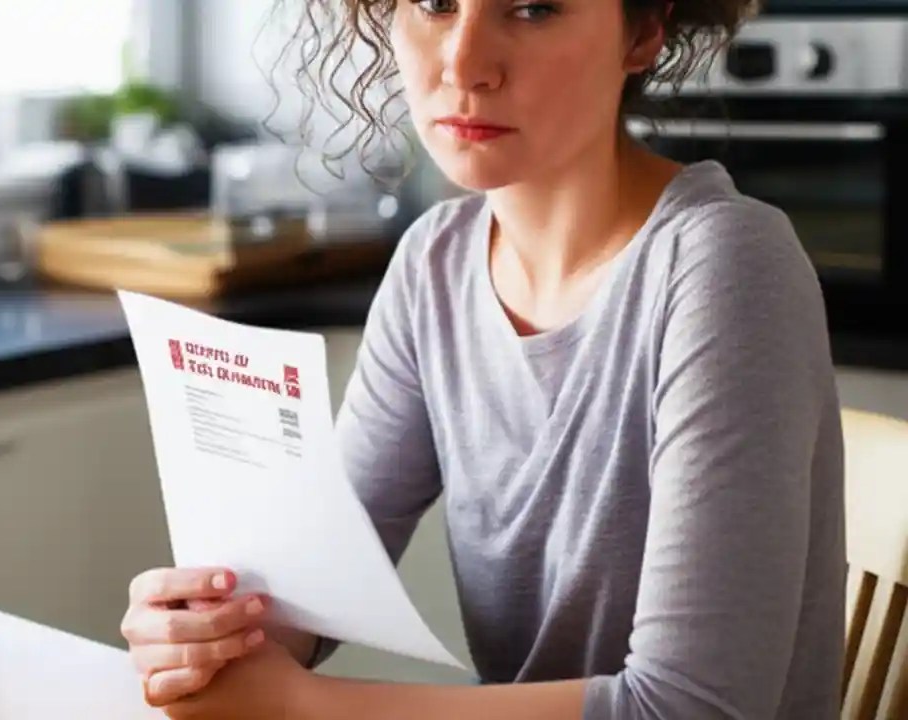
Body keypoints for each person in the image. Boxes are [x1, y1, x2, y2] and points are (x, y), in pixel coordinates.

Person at [119, 0, 847, 717]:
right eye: (436, 3)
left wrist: (304, 705)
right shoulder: (433, 262)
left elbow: (693, 709)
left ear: (644, 31)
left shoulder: (724, 265)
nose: (463, 63)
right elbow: (312, 587)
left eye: (533, 9)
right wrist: (208, 633)